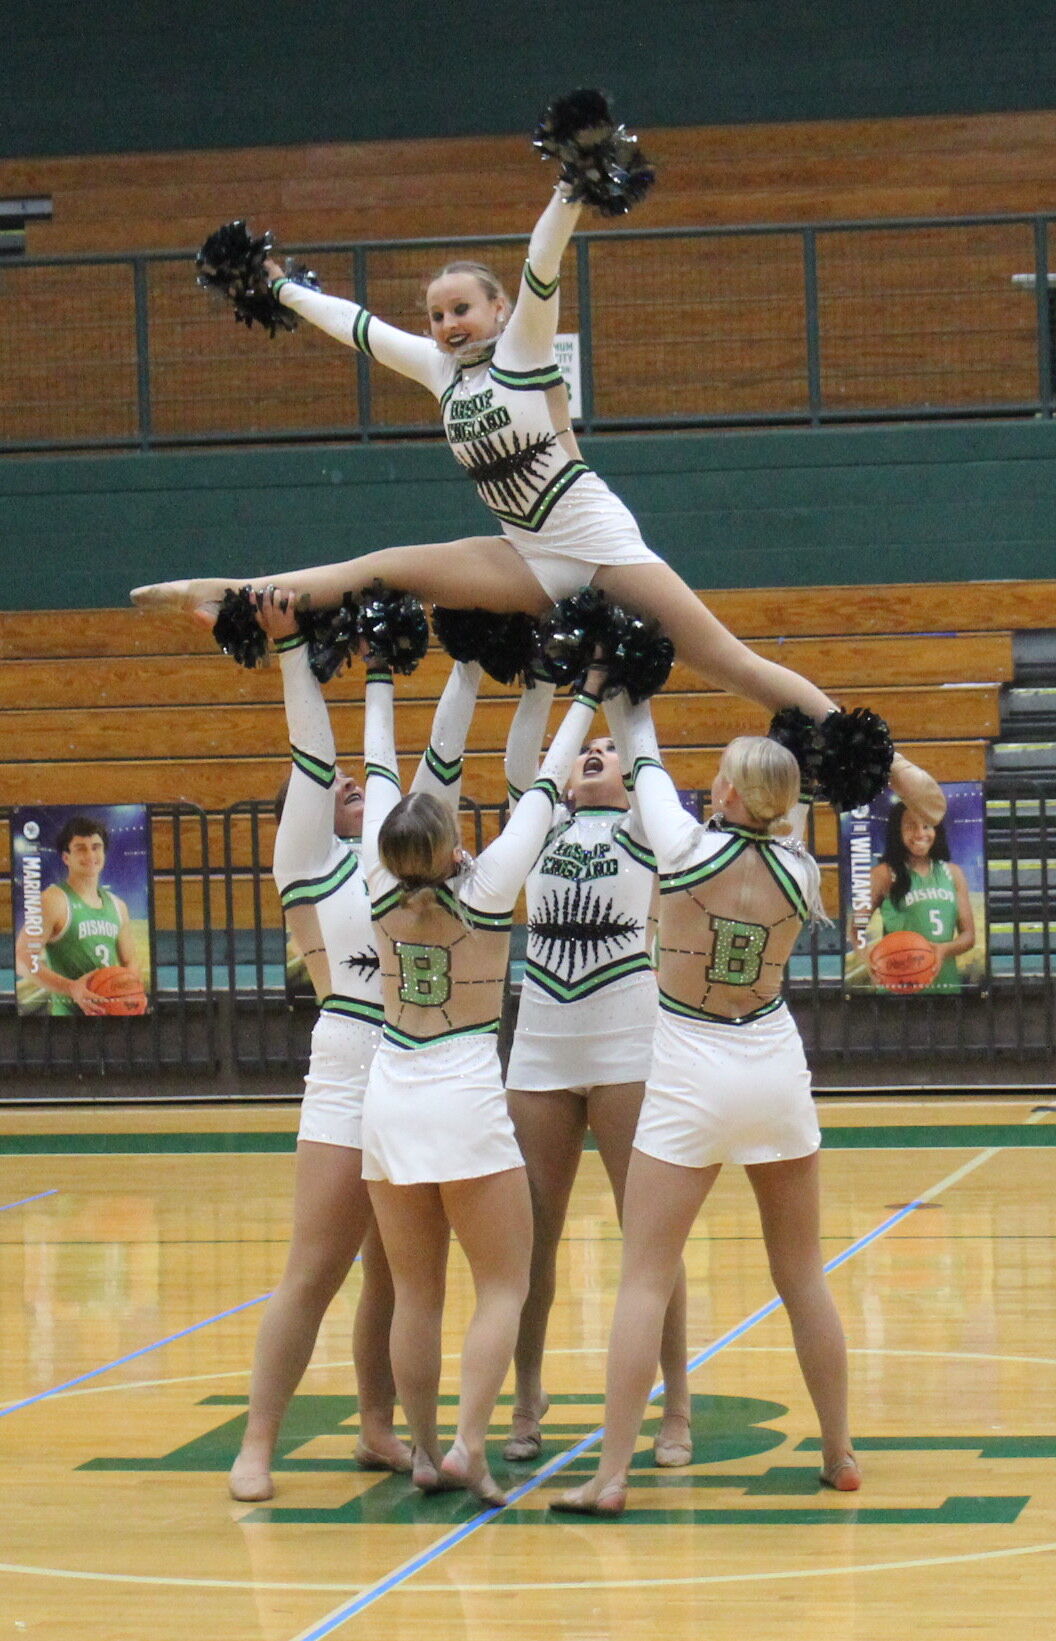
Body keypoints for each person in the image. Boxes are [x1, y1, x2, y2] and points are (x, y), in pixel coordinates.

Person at [130, 173, 941, 824]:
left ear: (498, 312)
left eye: (462, 308)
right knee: (386, 566)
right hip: (526, 552)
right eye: (438, 313)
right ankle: (231, 594)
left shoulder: (522, 348)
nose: (448, 322)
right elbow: (356, 325)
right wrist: (279, 287)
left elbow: (541, 259)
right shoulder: (437, 369)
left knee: (731, 662)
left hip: (597, 539)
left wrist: (573, 183)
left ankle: (897, 767)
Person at [553, 699, 859, 1515]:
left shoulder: (684, 847)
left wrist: (627, 691)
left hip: (691, 1064)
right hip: (772, 1063)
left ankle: (611, 1475)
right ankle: (839, 1448)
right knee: (803, 1274)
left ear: (727, 791)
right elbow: (772, 810)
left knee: (643, 1279)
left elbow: (643, 760)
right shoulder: (802, 870)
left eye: (721, 774)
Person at [228, 588, 483, 1502]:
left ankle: (384, 1426)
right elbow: (314, 757)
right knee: (316, 1268)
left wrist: (467, 657)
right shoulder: (306, 862)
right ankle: (256, 1444)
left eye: (358, 792)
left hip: (419, 1062)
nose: (344, 791)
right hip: (347, 1060)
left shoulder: (397, 855)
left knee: (397, 1272)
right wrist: (294, 651)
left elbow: (440, 756)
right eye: (329, 792)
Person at [358, 642, 610, 1506]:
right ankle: (471, 1442)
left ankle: (424, 1452)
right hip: (464, 1090)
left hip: (389, 1093)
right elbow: (543, 787)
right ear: (453, 835)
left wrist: (380, 676)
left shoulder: (371, 879)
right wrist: (586, 692)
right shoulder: (492, 883)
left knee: (415, 1292)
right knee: (503, 1279)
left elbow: (381, 768)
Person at [499, 679, 690, 1466]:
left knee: (649, 1237)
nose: (593, 755)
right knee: (528, 1239)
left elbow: (641, 750)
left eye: (606, 752)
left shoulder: (647, 822)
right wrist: (557, 683)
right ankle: (526, 1391)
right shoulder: (539, 822)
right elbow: (523, 756)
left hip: (626, 1045)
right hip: (542, 1046)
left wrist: (618, 689)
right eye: (583, 752)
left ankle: (676, 1403)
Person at [14, 815, 142, 1015]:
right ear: (66, 857)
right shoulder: (51, 901)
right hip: (68, 1020)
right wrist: (72, 988)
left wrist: (128, 996)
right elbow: (22, 961)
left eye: (96, 847)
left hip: (111, 1018)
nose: (90, 855)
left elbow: (129, 961)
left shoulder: (118, 905)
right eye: (80, 848)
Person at [869, 801, 975, 992]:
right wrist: (870, 961)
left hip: (945, 985)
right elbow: (854, 928)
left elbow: (968, 936)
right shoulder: (883, 874)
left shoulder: (953, 873)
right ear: (897, 832)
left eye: (927, 826)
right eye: (910, 827)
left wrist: (943, 950)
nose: (920, 834)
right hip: (898, 986)